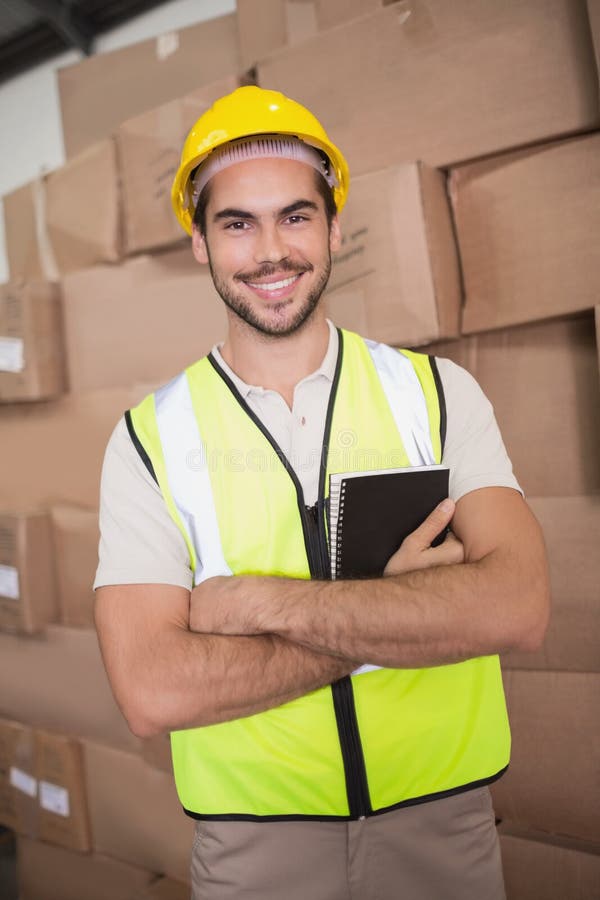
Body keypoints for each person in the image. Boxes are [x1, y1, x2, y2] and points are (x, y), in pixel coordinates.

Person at [94, 86, 550, 900]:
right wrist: (404, 612)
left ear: (335, 226)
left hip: (443, 829)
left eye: (296, 217)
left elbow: (515, 606)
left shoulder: (438, 395)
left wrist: (259, 602)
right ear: (200, 242)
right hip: (254, 849)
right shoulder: (148, 441)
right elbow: (152, 691)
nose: (272, 252)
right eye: (238, 223)